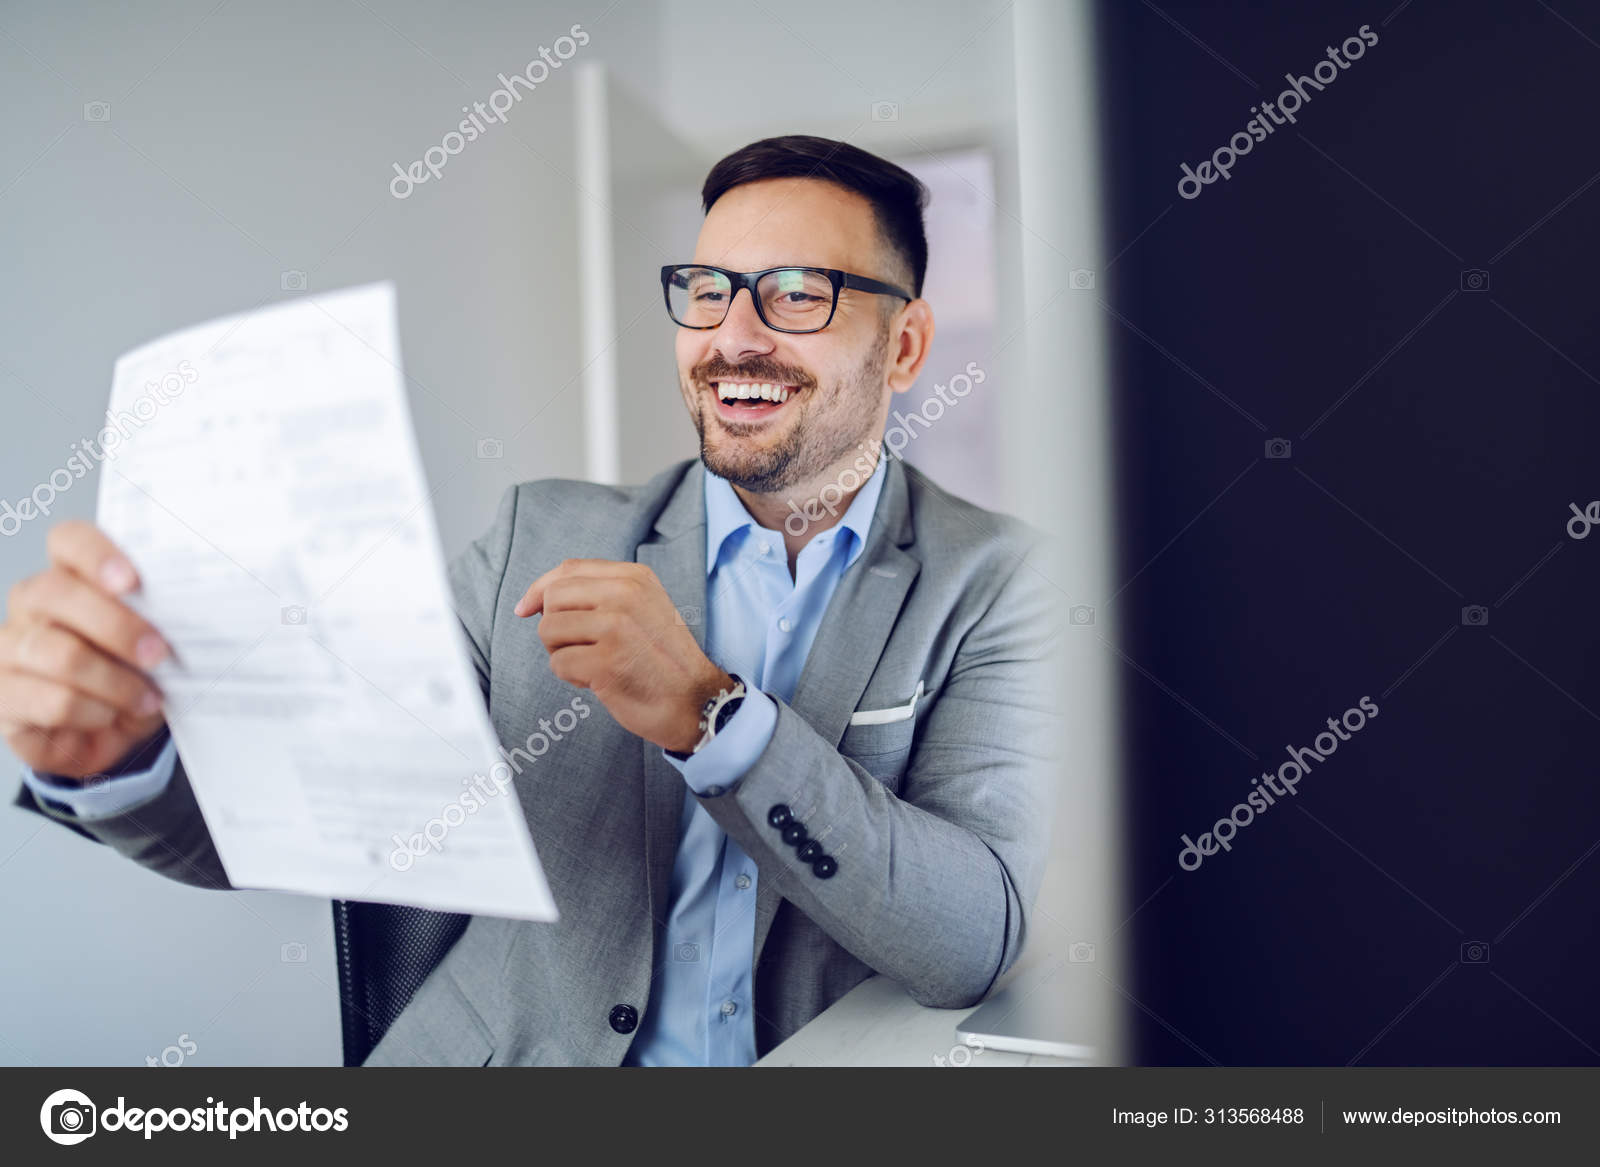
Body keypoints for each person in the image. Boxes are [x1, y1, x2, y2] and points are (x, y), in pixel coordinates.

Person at [4, 135, 1059, 1066]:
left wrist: (714, 715)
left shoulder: (999, 578)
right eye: (707, 289)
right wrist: (117, 761)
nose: (733, 336)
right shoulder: (534, 538)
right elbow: (327, 815)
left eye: (796, 293)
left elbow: (969, 942)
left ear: (907, 346)